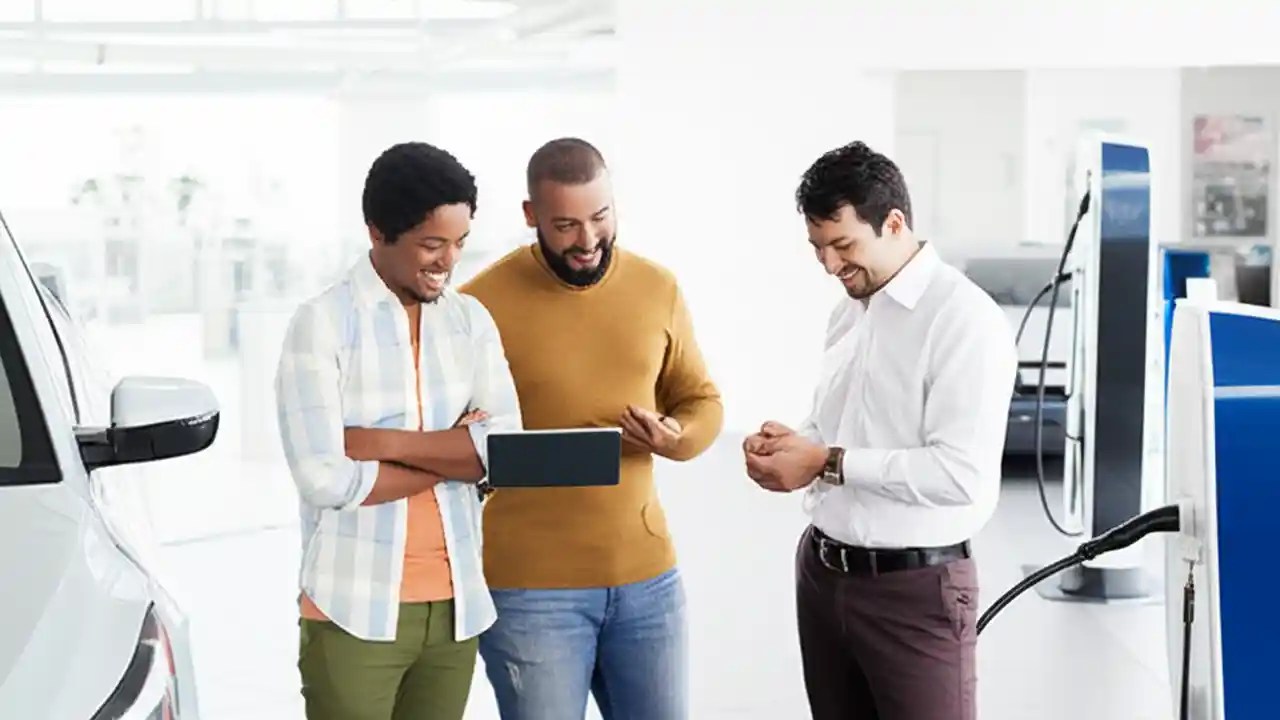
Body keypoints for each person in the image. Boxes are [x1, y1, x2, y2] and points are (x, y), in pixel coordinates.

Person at [742, 140, 1017, 720]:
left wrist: (824, 461)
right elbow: (834, 420)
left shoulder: (964, 320)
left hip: (915, 592)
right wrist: (792, 442)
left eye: (844, 245)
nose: (832, 266)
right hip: (822, 575)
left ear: (894, 223)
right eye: (818, 249)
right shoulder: (850, 310)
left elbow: (959, 473)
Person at [459, 137, 723, 720]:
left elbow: (701, 400)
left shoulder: (658, 288)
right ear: (531, 218)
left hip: (648, 584)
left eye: (600, 217)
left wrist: (676, 437)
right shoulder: (478, 306)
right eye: (565, 225)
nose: (587, 240)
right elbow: (453, 439)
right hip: (529, 593)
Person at [274, 141, 522, 720]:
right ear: (378, 232)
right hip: (351, 606)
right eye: (432, 245)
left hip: (455, 605)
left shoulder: (469, 321)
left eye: (459, 243)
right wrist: (456, 455)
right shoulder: (321, 324)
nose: (449, 262)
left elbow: (505, 451)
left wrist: (379, 443)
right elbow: (324, 478)